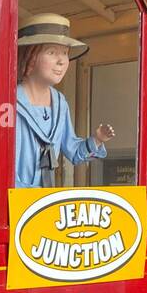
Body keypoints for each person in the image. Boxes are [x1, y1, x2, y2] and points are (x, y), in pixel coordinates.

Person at [16, 13, 115, 188]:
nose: (62, 61)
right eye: (52, 52)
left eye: (65, 53)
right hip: (14, 203)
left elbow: (74, 152)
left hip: (45, 204)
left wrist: (97, 140)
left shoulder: (60, 102)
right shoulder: (8, 101)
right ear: (30, 57)